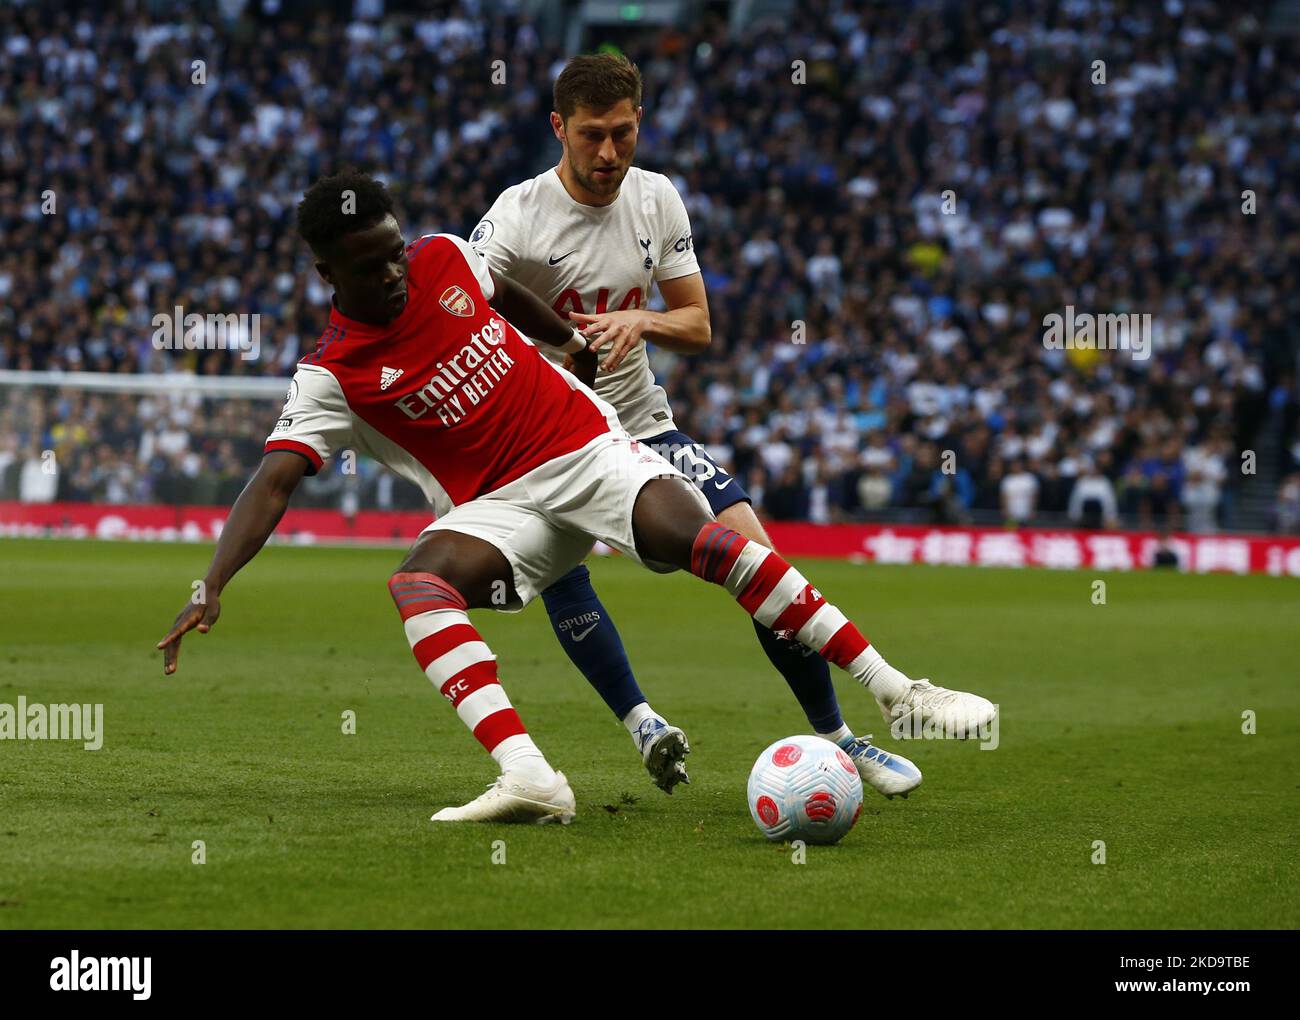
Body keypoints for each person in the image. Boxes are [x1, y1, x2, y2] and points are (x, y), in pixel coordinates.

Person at [156, 170, 997, 825]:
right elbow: (273, 480)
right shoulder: (331, 373)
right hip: (499, 509)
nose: (393, 271)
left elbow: (499, 289)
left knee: (705, 544)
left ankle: (899, 691)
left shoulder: (443, 256)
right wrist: (214, 582)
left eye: (393, 248)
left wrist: (561, 342)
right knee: (418, 582)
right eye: (368, 265)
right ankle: (529, 776)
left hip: (585, 450)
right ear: (324, 272)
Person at [471, 53, 921, 799]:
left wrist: (639, 320)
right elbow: (466, 312)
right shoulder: (516, 216)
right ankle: (642, 723)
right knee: (559, 571)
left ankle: (841, 739)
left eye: (622, 133)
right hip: (550, 439)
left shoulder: (658, 200)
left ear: (639, 121)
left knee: (758, 556)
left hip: (645, 424)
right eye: (591, 137)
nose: (609, 154)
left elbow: (698, 325)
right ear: (558, 128)